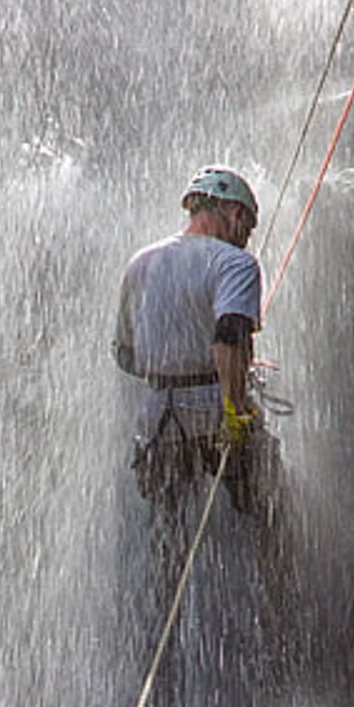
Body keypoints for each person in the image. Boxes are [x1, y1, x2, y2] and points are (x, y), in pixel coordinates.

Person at [113, 165, 279, 516]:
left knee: (166, 528)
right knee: (271, 508)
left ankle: (169, 570)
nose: (246, 238)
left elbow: (125, 355)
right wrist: (234, 408)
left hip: (158, 419)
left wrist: (175, 360)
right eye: (247, 228)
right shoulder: (236, 264)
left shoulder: (140, 262)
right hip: (215, 410)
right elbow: (229, 338)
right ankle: (279, 570)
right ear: (234, 213)